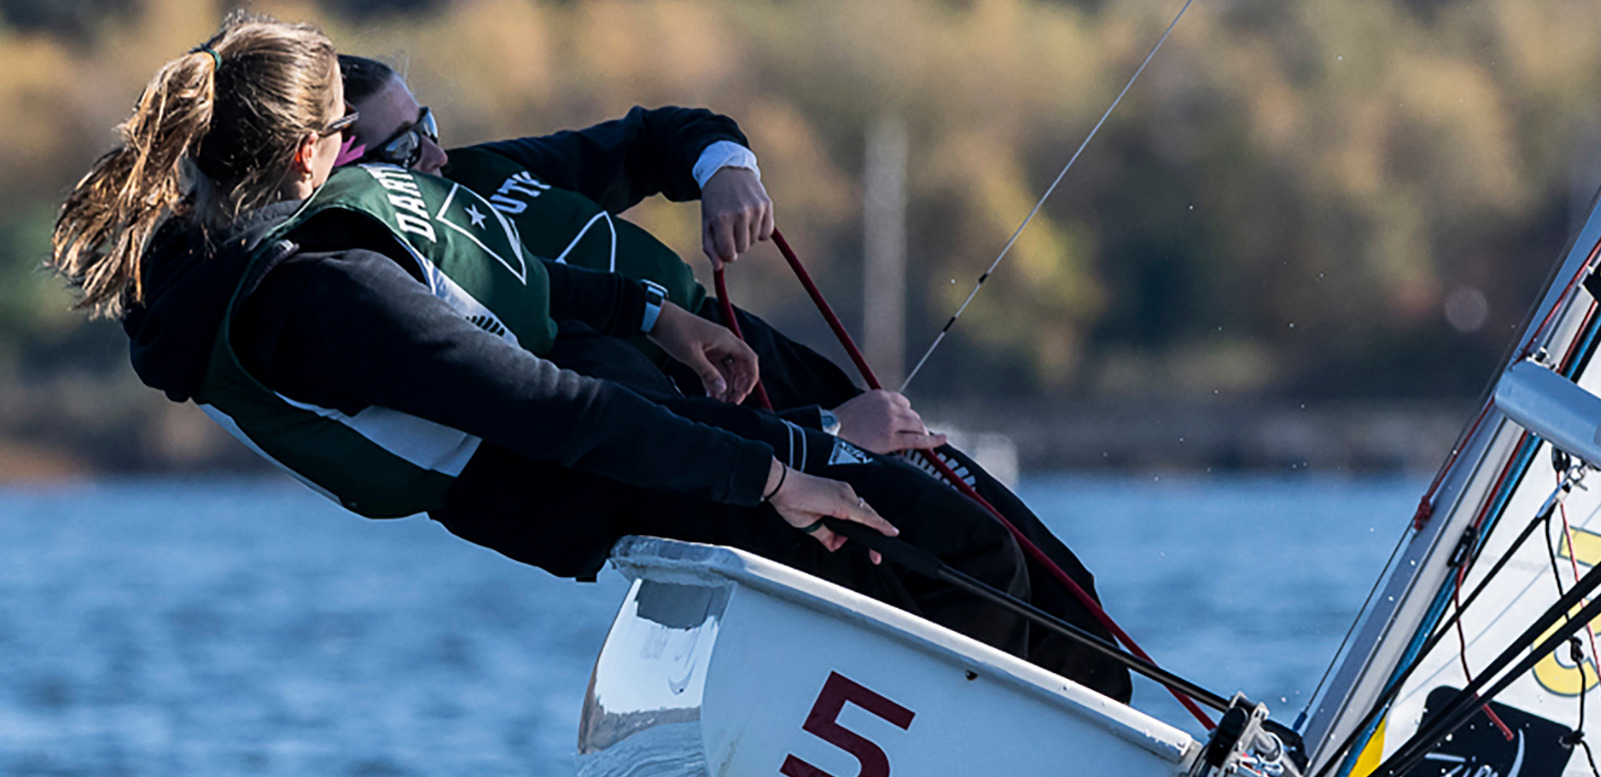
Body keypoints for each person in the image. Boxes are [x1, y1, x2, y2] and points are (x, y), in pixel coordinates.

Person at [50, 13, 1129, 701]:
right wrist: (794, 456)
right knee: (961, 553)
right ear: (307, 157)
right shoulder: (323, 292)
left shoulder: (350, 233)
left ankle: (1141, 764)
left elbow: (508, 283)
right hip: (615, 473)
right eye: (365, 141)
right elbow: (549, 405)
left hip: (670, 422)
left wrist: (658, 311)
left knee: (1011, 554)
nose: (423, 156)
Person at [337, 56, 1126, 698]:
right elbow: (620, 416)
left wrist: (724, 168)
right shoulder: (438, 291)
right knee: (974, 557)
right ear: (358, 175)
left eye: (428, 126)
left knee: (1064, 589)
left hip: (761, 358)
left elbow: (652, 138)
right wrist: (829, 432)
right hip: (728, 445)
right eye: (406, 150)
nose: (435, 156)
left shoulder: (486, 172)